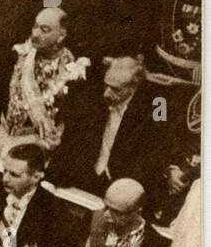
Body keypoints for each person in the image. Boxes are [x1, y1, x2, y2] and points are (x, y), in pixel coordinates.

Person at [51, 56, 167, 197]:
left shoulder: (158, 104)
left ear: (134, 86)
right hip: (85, 179)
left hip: (121, 186)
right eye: (106, 85)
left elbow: (154, 151)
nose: (107, 93)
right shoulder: (93, 96)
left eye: (116, 90)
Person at [0, 9, 89, 155]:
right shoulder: (18, 55)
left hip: (42, 150)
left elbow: (72, 124)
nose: (35, 34)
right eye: (35, 26)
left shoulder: (73, 71)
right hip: (4, 140)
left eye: (44, 30)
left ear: (61, 36)